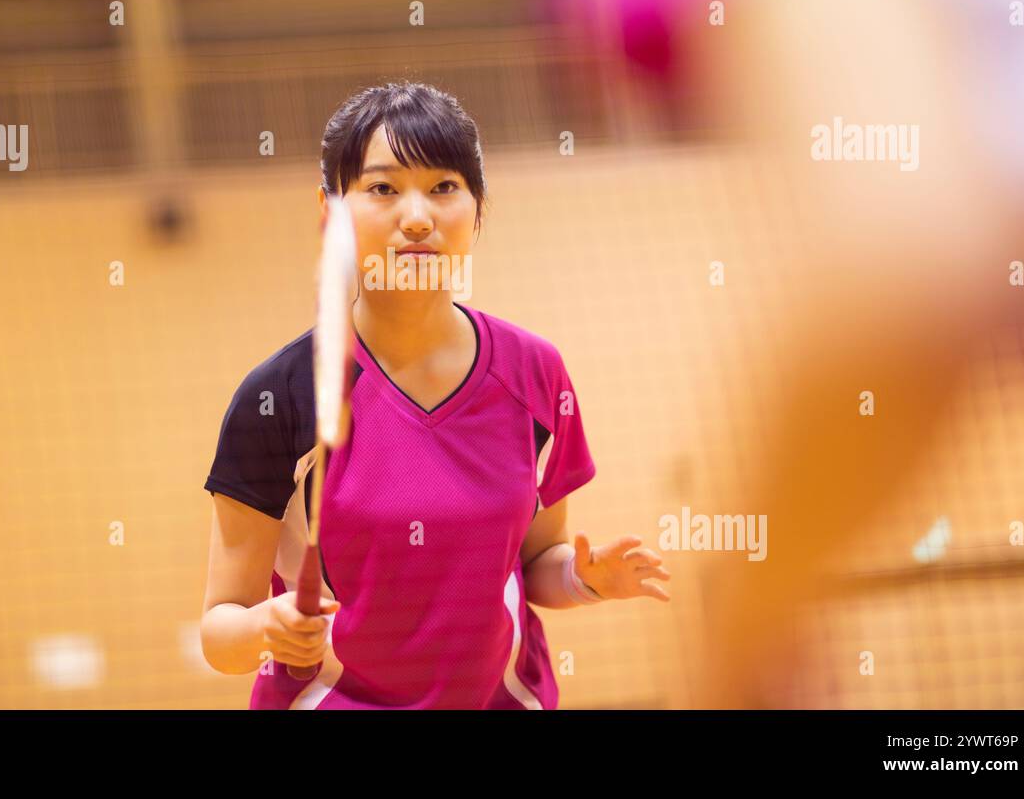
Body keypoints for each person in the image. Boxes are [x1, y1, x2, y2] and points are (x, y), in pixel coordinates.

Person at [200, 81, 671, 709]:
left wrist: (585, 580)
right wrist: (265, 628)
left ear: (476, 207)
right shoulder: (279, 398)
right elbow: (219, 628)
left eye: (444, 187)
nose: (418, 217)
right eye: (383, 188)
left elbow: (534, 562)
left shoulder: (536, 373)